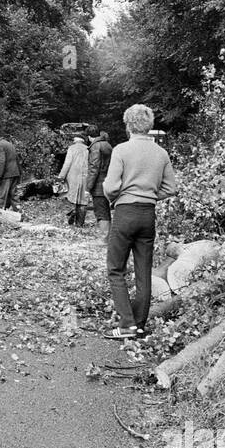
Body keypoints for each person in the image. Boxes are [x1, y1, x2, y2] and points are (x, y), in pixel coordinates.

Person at [102, 104, 178, 340]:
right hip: (148, 214)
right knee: (143, 271)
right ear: (150, 125)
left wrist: (115, 197)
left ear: (128, 125)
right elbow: (171, 188)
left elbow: (111, 186)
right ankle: (140, 324)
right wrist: (151, 195)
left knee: (116, 269)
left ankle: (127, 324)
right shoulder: (161, 153)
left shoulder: (121, 150)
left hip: (125, 212)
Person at [58, 133, 90, 226]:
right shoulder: (88, 149)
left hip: (72, 177)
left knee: (71, 197)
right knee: (83, 200)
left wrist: (61, 177)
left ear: (75, 140)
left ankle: (72, 211)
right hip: (85, 176)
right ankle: (80, 224)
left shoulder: (72, 148)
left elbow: (67, 164)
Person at [86, 129, 113, 239]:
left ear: (89, 136)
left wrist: (88, 187)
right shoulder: (107, 144)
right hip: (108, 181)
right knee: (106, 210)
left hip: (98, 184)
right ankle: (109, 236)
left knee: (100, 211)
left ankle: (104, 238)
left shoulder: (95, 146)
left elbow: (94, 168)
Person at [0, 131, 21, 211]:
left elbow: (1, 161)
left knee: (1, 196)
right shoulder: (9, 144)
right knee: (14, 195)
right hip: (15, 172)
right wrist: (19, 173)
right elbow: (17, 159)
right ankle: (19, 212)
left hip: (7, 174)